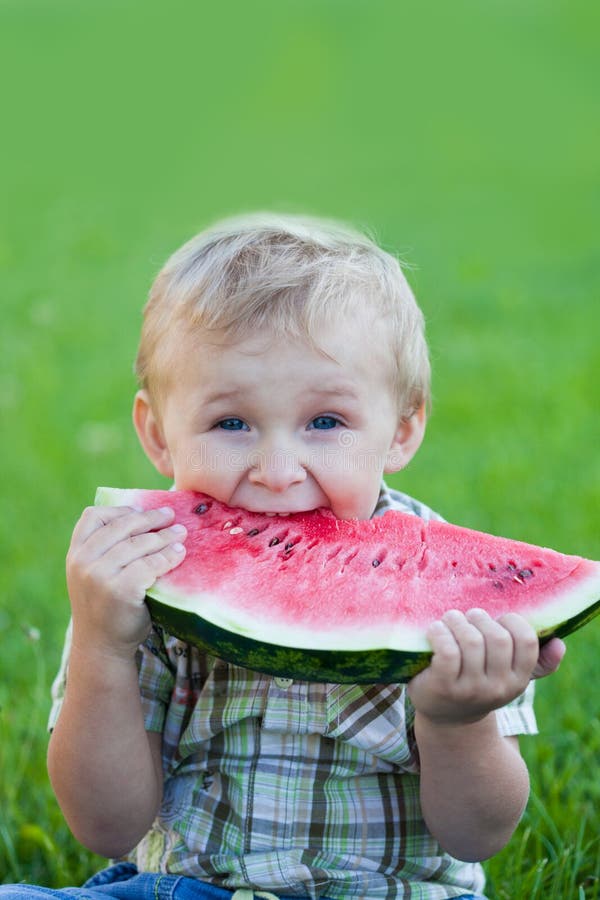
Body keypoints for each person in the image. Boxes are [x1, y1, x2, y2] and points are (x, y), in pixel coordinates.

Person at [1, 214, 565, 900]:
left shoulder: (454, 595)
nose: (276, 470)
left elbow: (476, 838)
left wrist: (458, 719)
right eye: (230, 423)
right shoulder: (139, 575)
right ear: (157, 434)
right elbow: (106, 826)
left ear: (402, 429)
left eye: (325, 423)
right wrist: (101, 648)